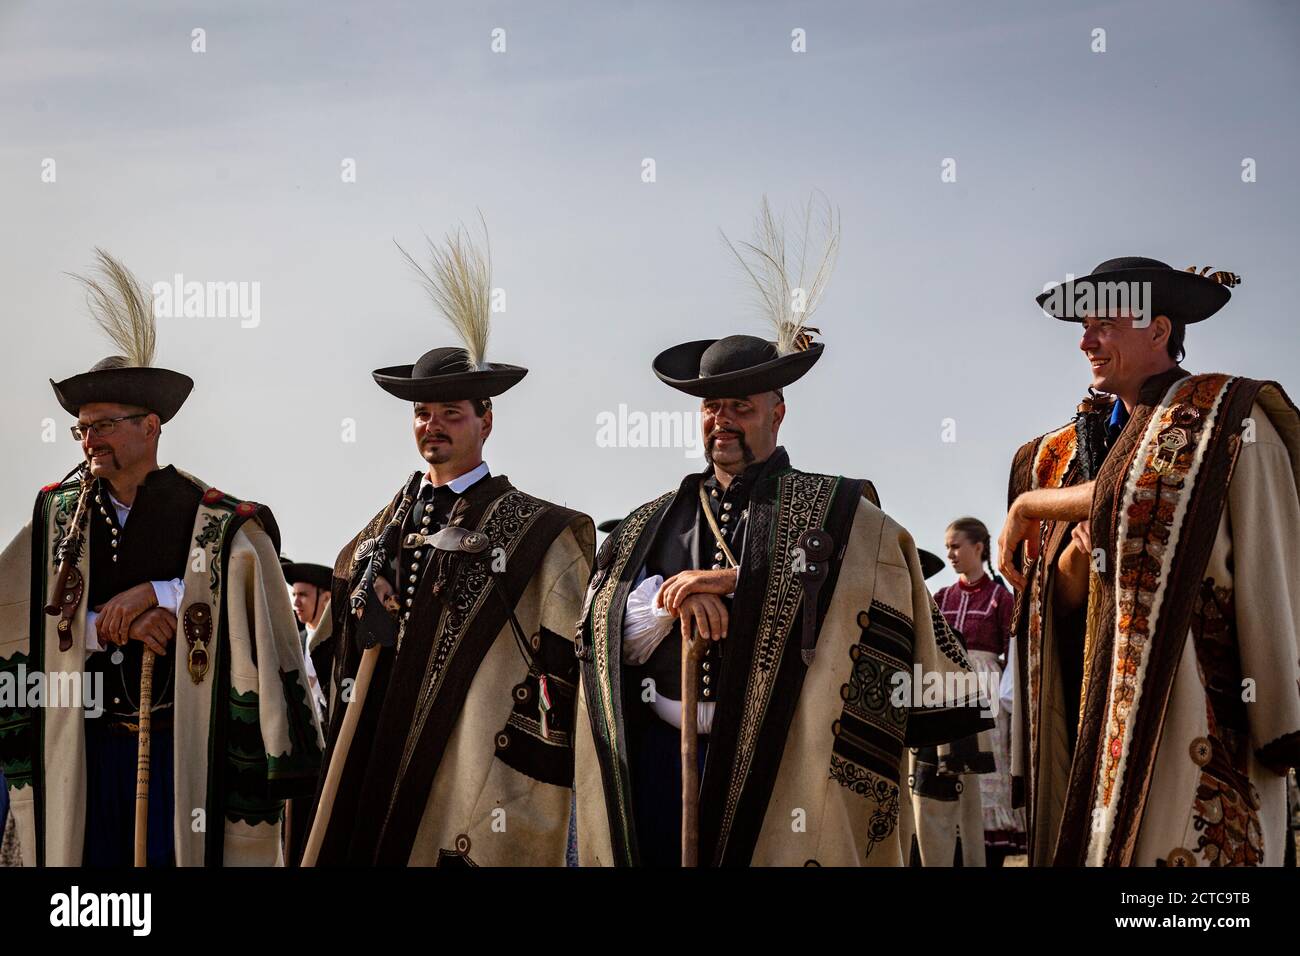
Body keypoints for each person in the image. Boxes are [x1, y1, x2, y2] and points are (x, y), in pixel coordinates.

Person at [574, 199, 990, 866]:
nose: (724, 421)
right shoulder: (653, 520)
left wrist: (741, 578)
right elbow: (595, 626)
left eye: (743, 406)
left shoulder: (841, 511)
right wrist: (671, 599)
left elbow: (866, 575)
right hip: (660, 762)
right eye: (713, 406)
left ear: (779, 412)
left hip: (789, 769)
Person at [0, 249, 321, 866]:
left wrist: (162, 593)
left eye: (104, 425)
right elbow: (20, 620)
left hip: (182, 749)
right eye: (82, 428)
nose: (90, 440)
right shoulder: (56, 517)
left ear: (150, 427)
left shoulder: (210, 515)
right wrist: (104, 625)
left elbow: (251, 582)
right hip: (84, 749)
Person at [305, 225, 593, 866]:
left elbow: (571, 663)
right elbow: (329, 653)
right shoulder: (378, 529)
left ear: (486, 420)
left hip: (467, 758)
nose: (431, 426)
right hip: (373, 742)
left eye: (450, 414)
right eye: (421, 415)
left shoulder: (539, 532)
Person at [999, 256, 1300, 866]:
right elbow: (1051, 601)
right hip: (1090, 723)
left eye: (1104, 323)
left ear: (1159, 330)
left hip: (1197, 722)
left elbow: (1274, 570)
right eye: (1083, 325)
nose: (1086, 339)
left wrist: (1279, 712)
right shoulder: (1061, 453)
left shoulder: (1230, 418)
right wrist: (1075, 563)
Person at [933, 517, 1024, 865]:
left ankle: (988, 849)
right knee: (949, 771)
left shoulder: (1000, 598)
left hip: (988, 694)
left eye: (956, 546)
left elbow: (1013, 652)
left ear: (978, 548)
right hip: (946, 691)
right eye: (948, 548)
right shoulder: (942, 597)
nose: (951, 554)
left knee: (986, 772)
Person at [281, 559, 336, 722]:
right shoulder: (292, 642)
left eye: (303, 595)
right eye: (294, 595)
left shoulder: (341, 644)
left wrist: (317, 686)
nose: (296, 602)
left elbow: (352, 696)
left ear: (326, 598)